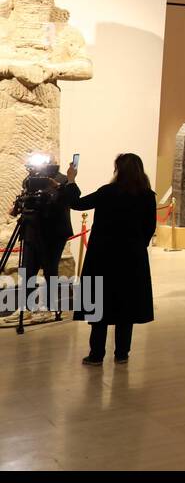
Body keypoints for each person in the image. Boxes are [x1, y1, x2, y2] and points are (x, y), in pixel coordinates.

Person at [67, 153, 156, 365]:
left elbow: (77, 204)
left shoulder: (107, 192)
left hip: (103, 257)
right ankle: (122, 353)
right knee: (126, 305)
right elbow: (149, 227)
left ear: (118, 170)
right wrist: (136, 246)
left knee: (100, 305)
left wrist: (71, 180)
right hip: (132, 259)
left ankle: (97, 354)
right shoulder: (147, 195)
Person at [7, 156, 75, 317]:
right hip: (31, 228)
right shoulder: (30, 180)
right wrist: (18, 206)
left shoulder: (62, 180)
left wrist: (53, 188)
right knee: (27, 270)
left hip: (53, 233)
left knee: (49, 269)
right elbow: (26, 199)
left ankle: (51, 307)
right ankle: (26, 307)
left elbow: (62, 203)